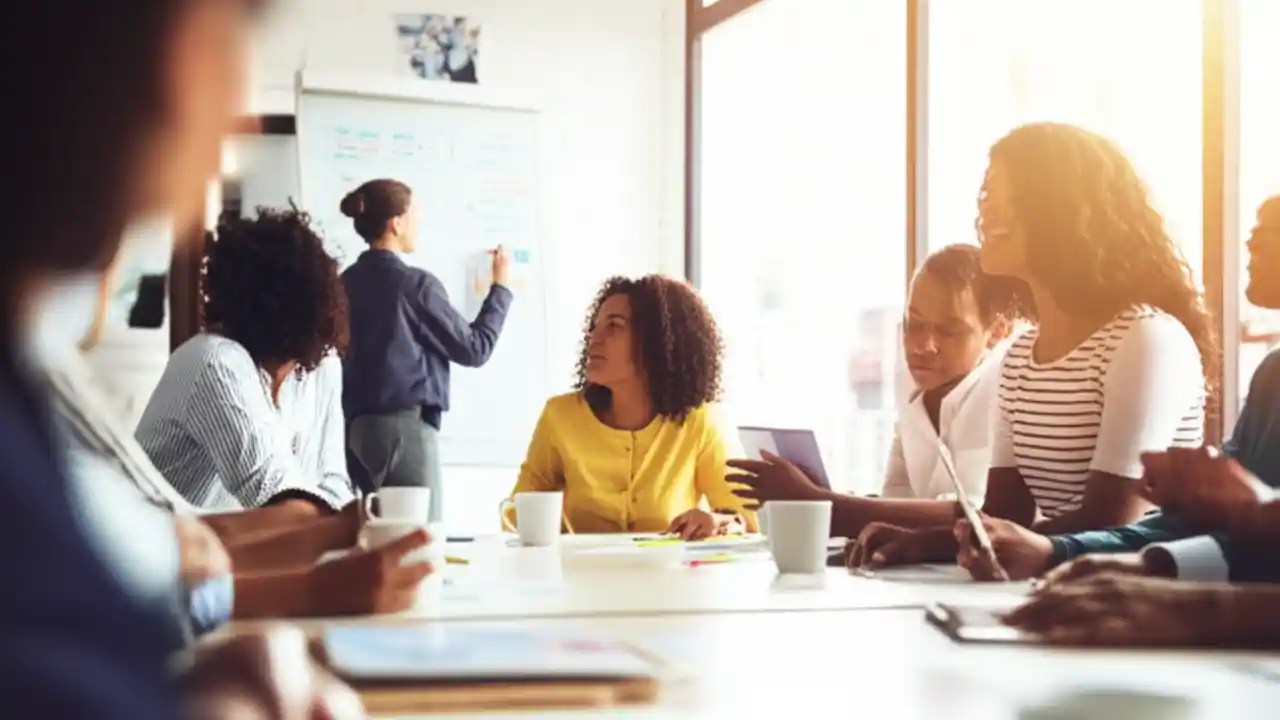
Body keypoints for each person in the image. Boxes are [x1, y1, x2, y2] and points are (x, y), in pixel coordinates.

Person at [3, 0, 358, 716]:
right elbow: (260, 501)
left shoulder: (25, 384)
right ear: (177, 63)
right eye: (230, 37)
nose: (240, 114)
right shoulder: (212, 361)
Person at [732, 124, 1213, 570]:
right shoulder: (1024, 357)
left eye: (1010, 198)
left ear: (1065, 212)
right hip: (1055, 591)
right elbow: (1005, 515)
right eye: (986, 196)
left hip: (1138, 603)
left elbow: (1113, 523)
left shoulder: (1144, 340)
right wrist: (921, 542)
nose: (987, 212)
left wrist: (852, 514)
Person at [957, 195, 1280, 583]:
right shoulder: (1271, 375)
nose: (1251, 242)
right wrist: (1059, 551)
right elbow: (1193, 529)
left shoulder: (1145, 336)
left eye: (1269, 230)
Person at [137, 209, 356, 514]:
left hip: (238, 553)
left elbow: (332, 480)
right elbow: (269, 489)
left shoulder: (322, 366)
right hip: (152, 553)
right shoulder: (213, 361)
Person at [511, 275, 754, 539]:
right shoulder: (560, 416)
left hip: (670, 579)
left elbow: (747, 522)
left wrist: (717, 522)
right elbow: (516, 515)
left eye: (614, 326)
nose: (594, 338)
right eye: (594, 327)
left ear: (657, 341)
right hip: (580, 577)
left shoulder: (702, 422)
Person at [341, 178, 512, 521]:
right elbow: (475, 349)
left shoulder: (344, 282)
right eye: (415, 213)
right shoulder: (414, 285)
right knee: (421, 543)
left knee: (374, 542)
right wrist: (501, 288)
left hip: (356, 431)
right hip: (404, 433)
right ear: (396, 223)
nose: (420, 222)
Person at [882, 244, 1024, 502]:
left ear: (998, 330)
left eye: (948, 331)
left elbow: (970, 514)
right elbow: (894, 496)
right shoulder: (910, 383)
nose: (923, 346)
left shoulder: (1003, 391)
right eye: (914, 324)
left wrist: (834, 505)